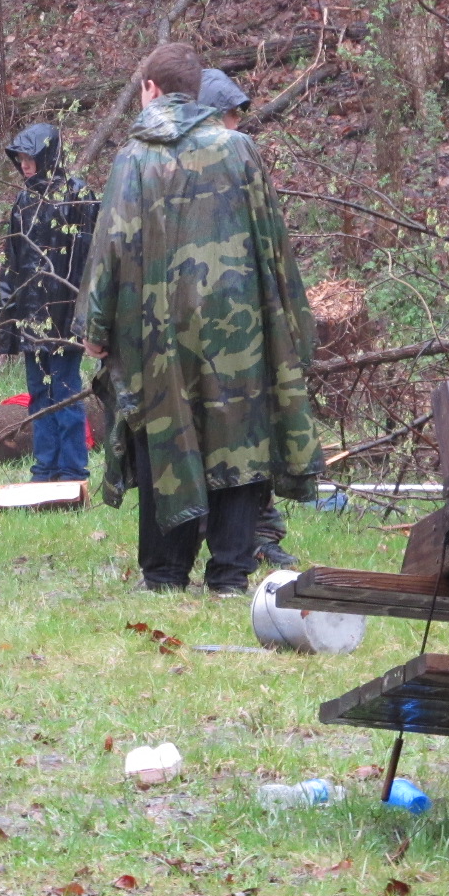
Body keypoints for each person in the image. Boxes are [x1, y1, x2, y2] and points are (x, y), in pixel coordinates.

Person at [76, 42, 323, 596]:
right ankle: (230, 573)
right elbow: (273, 241)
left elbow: (111, 246)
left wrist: (95, 329)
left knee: (163, 432)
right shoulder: (239, 149)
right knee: (238, 431)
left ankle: (165, 572)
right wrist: (292, 323)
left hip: (155, 330)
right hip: (238, 321)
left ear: (150, 89)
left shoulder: (134, 158)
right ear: (196, 89)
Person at [196, 67, 299, 570]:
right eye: (229, 115)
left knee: (252, 431)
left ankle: (260, 534)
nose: (237, 124)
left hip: (245, 321)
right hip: (196, 327)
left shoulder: (242, 157)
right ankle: (215, 536)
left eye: (238, 115)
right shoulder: (175, 167)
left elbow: (269, 238)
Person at [0, 123, 97, 485]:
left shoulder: (78, 196)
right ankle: (45, 469)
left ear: (47, 155)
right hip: (31, 318)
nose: (24, 164)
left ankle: (71, 470)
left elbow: (90, 263)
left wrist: (84, 320)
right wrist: (7, 319)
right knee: (39, 394)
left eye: (30, 156)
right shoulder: (23, 202)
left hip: (66, 316)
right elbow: (12, 264)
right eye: (20, 157)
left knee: (65, 390)